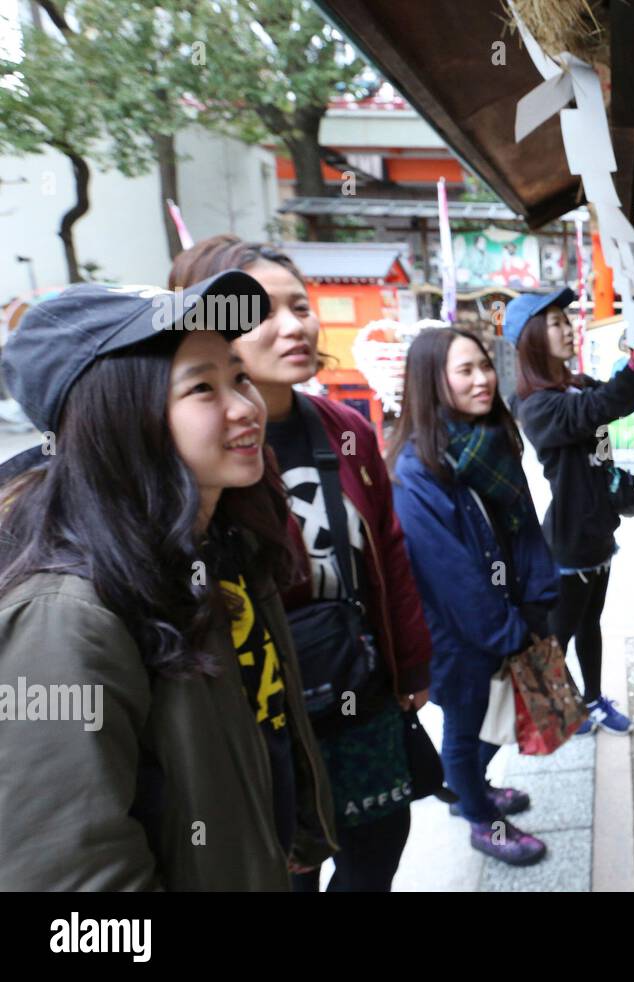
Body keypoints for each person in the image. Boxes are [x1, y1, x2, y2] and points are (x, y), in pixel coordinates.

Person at [0, 274, 337, 889]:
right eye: (202, 387)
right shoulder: (65, 617)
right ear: (122, 418)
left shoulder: (224, 541)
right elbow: (72, 881)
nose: (245, 405)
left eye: (238, 376)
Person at [169, 237, 433, 892]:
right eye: (263, 312)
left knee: (378, 841)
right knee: (290, 867)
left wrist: (412, 663)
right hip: (264, 715)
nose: (293, 326)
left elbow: (389, 549)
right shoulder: (193, 451)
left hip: (357, 686)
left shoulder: (346, 427)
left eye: (301, 305)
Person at [387, 327, 559, 865]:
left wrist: (535, 602)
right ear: (431, 382)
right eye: (466, 371)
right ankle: (481, 817)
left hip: (507, 614)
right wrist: (504, 633)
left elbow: (525, 525)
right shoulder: (415, 469)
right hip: (459, 636)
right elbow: (449, 574)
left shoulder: (489, 443)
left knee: (496, 718)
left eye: (485, 366)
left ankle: (472, 790)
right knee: (466, 728)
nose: (483, 378)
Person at [507, 289, 634, 733]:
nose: (567, 329)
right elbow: (600, 407)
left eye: (567, 320)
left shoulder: (573, 385)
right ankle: (552, 713)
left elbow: (622, 400)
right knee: (556, 637)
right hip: (567, 545)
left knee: (591, 624)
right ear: (532, 341)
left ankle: (593, 700)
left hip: (596, 533)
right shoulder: (538, 406)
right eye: (556, 323)